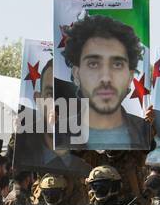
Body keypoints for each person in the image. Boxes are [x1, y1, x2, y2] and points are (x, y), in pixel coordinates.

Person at [59, 15, 150, 149]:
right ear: (76, 74)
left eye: (117, 64)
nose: (106, 78)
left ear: (130, 76)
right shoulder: (58, 134)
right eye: (94, 64)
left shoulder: (146, 133)